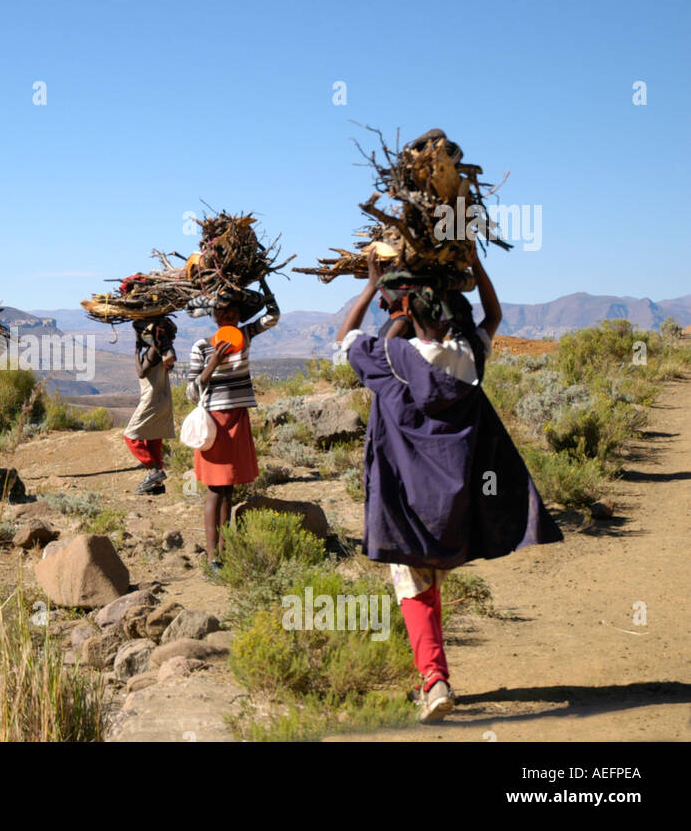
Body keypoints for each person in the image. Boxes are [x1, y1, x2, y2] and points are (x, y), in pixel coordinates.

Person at [335, 249, 562, 722]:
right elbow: (493, 314)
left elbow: (346, 339)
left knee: (412, 586)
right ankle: (432, 675)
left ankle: (434, 680)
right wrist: (476, 270)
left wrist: (372, 287)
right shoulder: (468, 358)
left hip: (406, 502)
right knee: (428, 581)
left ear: (409, 314)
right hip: (456, 501)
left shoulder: (394, 358)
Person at [187, 291, 279, 573]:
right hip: (213, 423)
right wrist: (213, 362)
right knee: (215, 489)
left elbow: (273, 316)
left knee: (230, 489)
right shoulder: (201, 347)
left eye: (234, 313)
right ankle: (213, 556)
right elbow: (191, 392)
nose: (229, 318)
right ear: (213, 316)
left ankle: (227, 551)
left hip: (238, 418)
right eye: (223, 313)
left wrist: (264, 284)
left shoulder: (245, 336)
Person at [124, 317, 177, 495]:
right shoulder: (161, 350)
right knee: (153, 439)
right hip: (163, 400)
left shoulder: (154, 350)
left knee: (131, 436)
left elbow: (141, 373)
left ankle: (154, 470)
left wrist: (135, 353)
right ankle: (157, 486)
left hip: (152, 400)